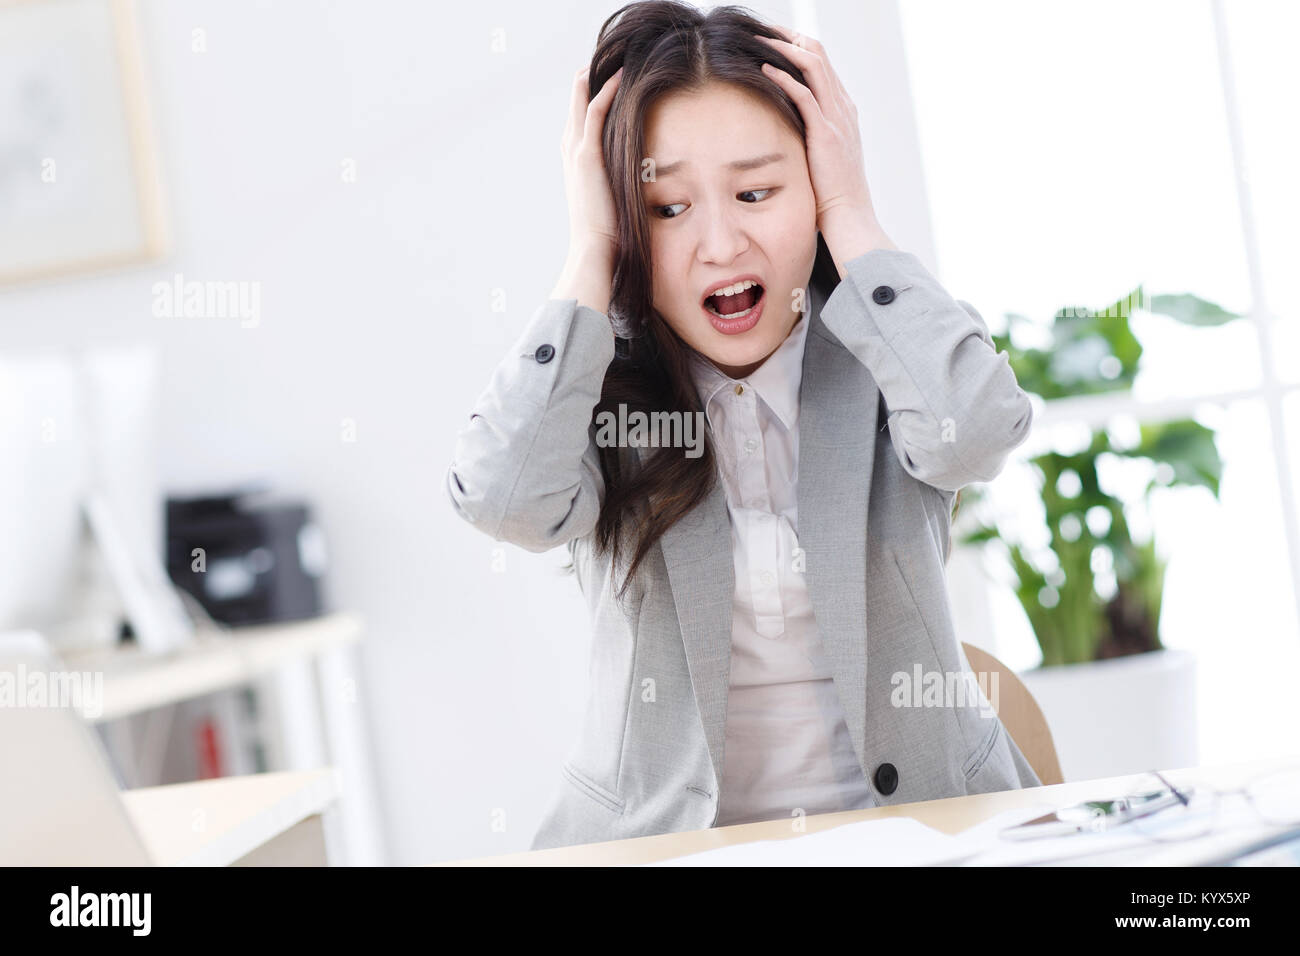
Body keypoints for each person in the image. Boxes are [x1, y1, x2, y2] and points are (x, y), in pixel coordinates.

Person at [446, 1, 1040, 851]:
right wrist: (588, 251)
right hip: (674, 851)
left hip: (921, 835)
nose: (720, 244)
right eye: (667, 209)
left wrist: (855, 213)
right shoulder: (595, 386)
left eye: (757, 192)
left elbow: (975, 430)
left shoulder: (886, 346)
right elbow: (502, 499)